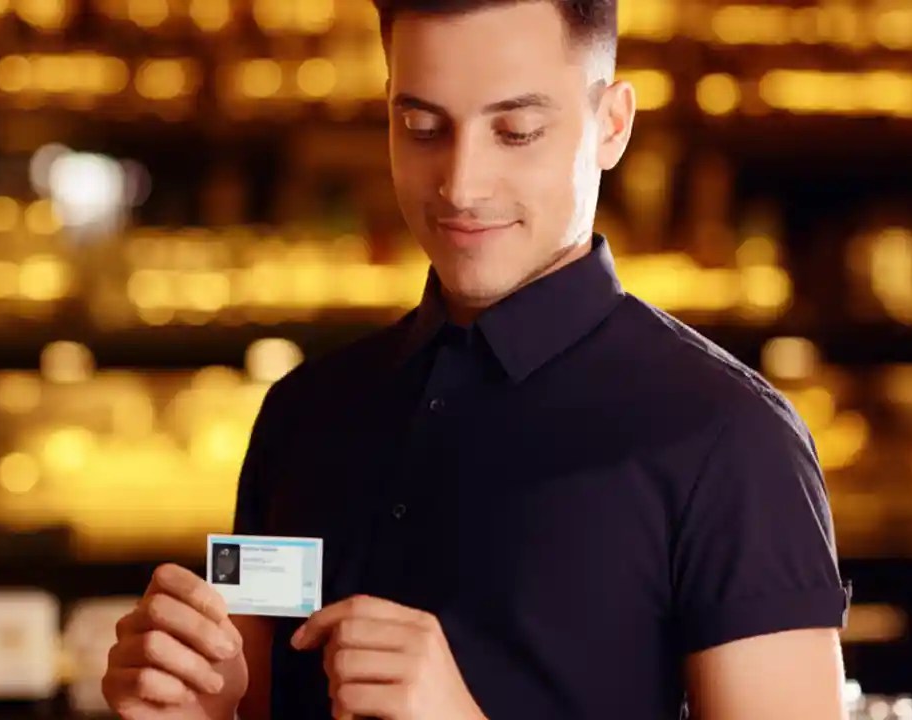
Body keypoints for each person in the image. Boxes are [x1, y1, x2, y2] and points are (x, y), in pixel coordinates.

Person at [102, 1, 852, 718]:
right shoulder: (302, 412)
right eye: (422, 127)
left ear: (611, 126)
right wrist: (198, 707)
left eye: (517, 131)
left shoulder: (731, 437)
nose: (460, 185)